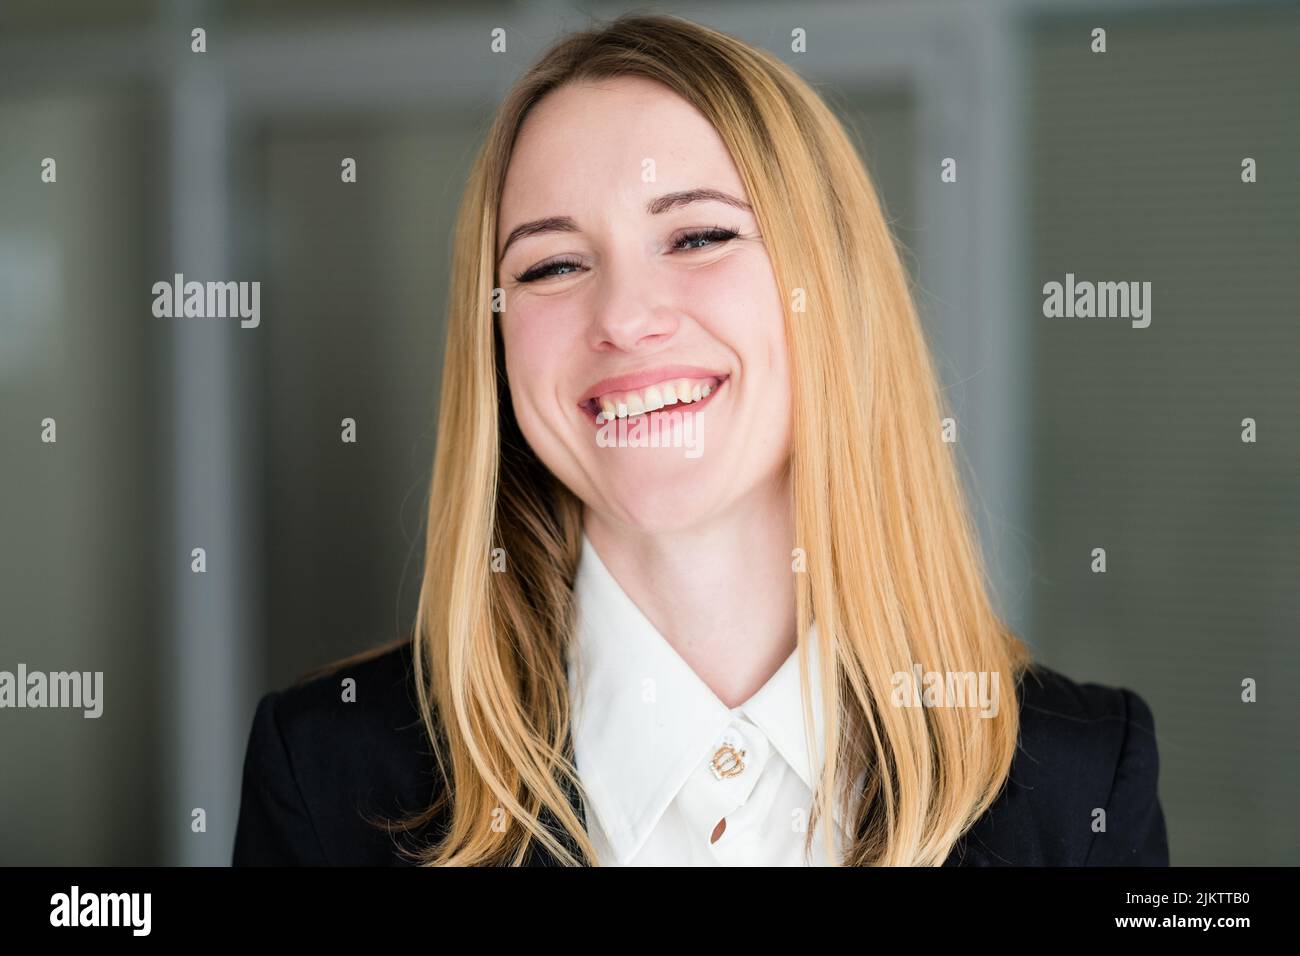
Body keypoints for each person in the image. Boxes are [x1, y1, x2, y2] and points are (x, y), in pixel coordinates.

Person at [233, 12, 1168, 867]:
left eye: (697, 237)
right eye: (553, 264)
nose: (626, 318)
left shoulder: (1082, 777)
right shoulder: (327, 772)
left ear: (830, 292)